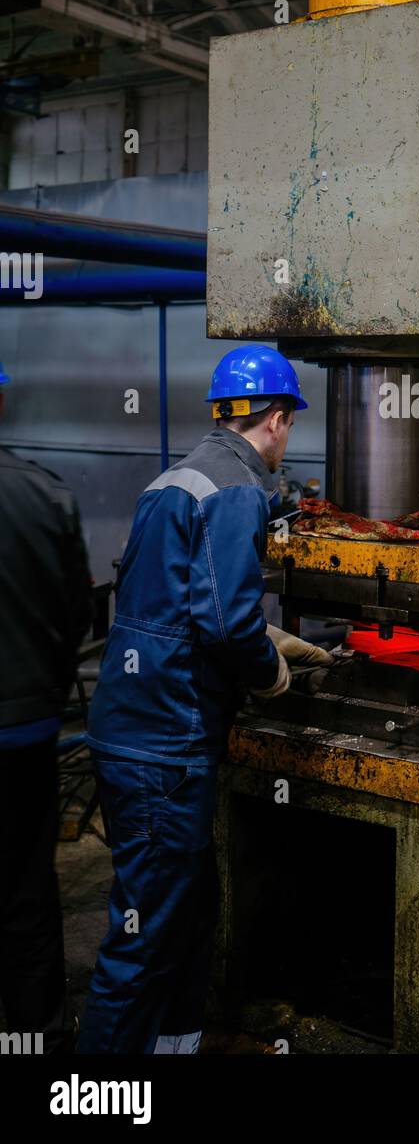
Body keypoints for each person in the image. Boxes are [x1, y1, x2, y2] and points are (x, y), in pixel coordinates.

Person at [77, 345, 332, 1055]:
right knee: (144, 933)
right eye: (289, 424)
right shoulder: (240, 489)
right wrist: (272, 673)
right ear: (277, 420)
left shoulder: (177, 478)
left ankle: (172, 1053)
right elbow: (223, 622)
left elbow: (176, 603)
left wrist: (265, 634)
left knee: (186, 912)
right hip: (164, 745)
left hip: (134, 726)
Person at [0, 358, 93, 1054]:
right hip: (28, 734)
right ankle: (34, 1044)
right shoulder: (47, 494)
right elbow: (79, 615)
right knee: (28, 893)